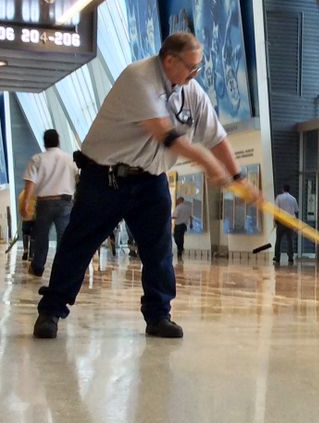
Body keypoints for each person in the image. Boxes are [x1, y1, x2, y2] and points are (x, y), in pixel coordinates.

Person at [34, 32, 262, 340]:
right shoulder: (138, 77)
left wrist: (238, 177)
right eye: (191, 67)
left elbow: (217, 136)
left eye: (198, 67)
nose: (195, 74)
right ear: (170, 60)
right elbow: (165, 135)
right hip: (105, 178)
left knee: (159, 251)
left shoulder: (191, 92)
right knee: (79, 244)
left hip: (151, 180)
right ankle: (51, 310)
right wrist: (210, 165)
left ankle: (158, 315)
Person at [21, 128, 76, 277]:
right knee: (63, 237)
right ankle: (62, 268)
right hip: (65, 203)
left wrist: (26, 202)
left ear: (44, 143)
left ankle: (38, 266)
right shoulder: (69, 159)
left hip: (45, 203)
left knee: (42, 237)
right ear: (58, 141)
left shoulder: (37, 159)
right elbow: (78, 179)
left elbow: (30, 182)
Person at [273, 184, 299, 266]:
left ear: (283, 189)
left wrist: (275, 221)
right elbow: (296, 211)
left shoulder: (279, 197)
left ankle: (277, 257)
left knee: (278, 240)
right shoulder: (293, 199)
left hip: (281, 222)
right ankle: (290, 257)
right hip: (290, 222)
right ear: (289, 190)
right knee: (290, 240)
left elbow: (276, 210)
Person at [17, 187, 36, 262]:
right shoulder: (34, 194)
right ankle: (31, 255)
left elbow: (20, 206)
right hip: (34, 218)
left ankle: (25, 251)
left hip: (25, 218)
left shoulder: (21, 194)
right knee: (33, 236)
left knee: (25, 234)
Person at [172, 196, 193, 260]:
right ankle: (180, 250)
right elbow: (191, 216)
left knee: (176, 237)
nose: (177, 201)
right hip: (184, 225)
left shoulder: (178, 207)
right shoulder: (188, 207)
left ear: (180, 201)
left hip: (178, 225)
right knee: (181, 237)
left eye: (177, 200)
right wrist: (191, 224)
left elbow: (175, 216)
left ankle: (180, 248)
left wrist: (169, 217)